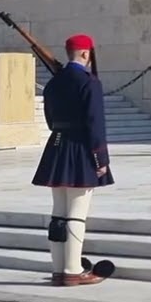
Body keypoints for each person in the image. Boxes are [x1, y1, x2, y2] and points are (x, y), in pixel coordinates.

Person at [32, 33, 114, 287]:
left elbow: (49, 119)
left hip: (56, 147)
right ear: (87, 54)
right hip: (80, 149)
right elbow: (95, 124)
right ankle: (72, 270)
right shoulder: (89, 83)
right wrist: (100, 158)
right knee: (77, 213)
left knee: (58, 213)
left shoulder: (54, 83)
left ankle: (58, 269)